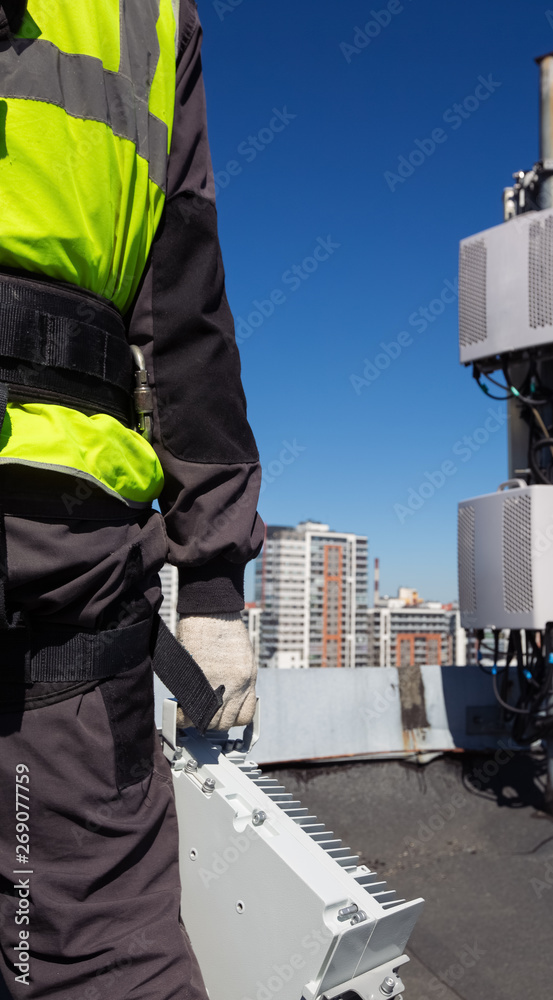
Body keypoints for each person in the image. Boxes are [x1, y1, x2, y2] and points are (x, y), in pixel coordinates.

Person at [0, 1, 263, 997]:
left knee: (94, 937)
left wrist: (214, 585)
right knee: (94, 946)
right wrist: (213, 577)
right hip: (63, 535)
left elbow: (183, 299)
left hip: (62, 561)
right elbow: (185, 310)